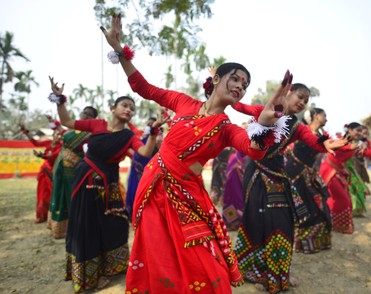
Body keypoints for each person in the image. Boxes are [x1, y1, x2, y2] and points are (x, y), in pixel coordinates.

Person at [101, 13, 294, 293]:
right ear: (216, 79)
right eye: (236, 79)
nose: (240, 86)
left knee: (207, 266)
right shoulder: (182, 102)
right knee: (159, 257)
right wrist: (120, 50)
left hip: (189, 199)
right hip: (156, 191)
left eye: (245, 85)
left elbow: (254, 151)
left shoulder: (227, 128)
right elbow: (143, 88)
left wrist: (264, 123)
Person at [49, 76, 162, 293]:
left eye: (132, 107)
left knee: (116, 224)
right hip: (87, 181)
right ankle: (90, 275)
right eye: (125, 105)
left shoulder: (129, 135)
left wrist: (154, 132)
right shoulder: (97, 124)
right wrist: (60, 100)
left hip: (109, 185)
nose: (129, 109)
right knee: (88, 225)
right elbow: (67, 122)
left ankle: (112, 265)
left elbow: (145, 152)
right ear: (113, 108)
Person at [232, 86, 347, 293]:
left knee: (283, 222)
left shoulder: (297, 127)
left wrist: (329, 144)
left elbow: (315, 142)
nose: (302, 102)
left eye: (306, 100)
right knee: (257, 220)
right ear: (288, 94)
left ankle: (280, 270)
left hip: (277, 174)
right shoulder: (266, 109)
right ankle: (258, 272)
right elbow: (240, 106)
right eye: (300, 97)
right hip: (257, 172)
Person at [284, 107, 332, 254]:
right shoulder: (301, 130)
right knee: (303, 207)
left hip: (309, 175)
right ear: (316, 116)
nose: (327, 119)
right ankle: (301, 242)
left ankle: (314, 241)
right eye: (324, 115)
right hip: (295, 174)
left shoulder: (323, 136)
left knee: (320, 205)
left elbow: (332, 148)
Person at [47, 106, 98, 239]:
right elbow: (61, 131)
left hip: (75, 171)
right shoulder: (71, 130)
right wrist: (53, 121)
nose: (85, 116)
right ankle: (59, 228)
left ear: (93, 119)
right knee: (59, 195)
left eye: (89, 115)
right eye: (84, 112)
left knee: (73, 198)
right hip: (61, 167)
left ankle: (77, 227)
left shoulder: (91, 134)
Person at [20, 121, 62, 224]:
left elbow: (53, 156)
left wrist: (42, 156)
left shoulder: (61, 146)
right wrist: (26, 132)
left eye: (60, 134)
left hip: (54, 174)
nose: (58, 135)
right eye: (56, 133)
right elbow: (35, 143)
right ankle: (41, 215)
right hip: (44, 172)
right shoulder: (48, 142)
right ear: (53, 135)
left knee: (53, 195)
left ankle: (53, 216)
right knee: (42, 195)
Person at [125, 116, 162, 219]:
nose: (150, 126)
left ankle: (144, 214)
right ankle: (132, 212)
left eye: (152, 125)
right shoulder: (139, 134)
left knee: (146, 191)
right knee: (133, 189)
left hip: (149, 169)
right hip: (135, 167)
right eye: (148, 124)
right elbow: (132, 128)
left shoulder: (158, 138)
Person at [222, 122, 249, 231]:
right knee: (234, 197)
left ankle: (241, 222)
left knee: (242, 198)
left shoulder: (251, 157)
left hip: (243, 179)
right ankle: (232, 223)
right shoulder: (235, 160)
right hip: (234, 179)